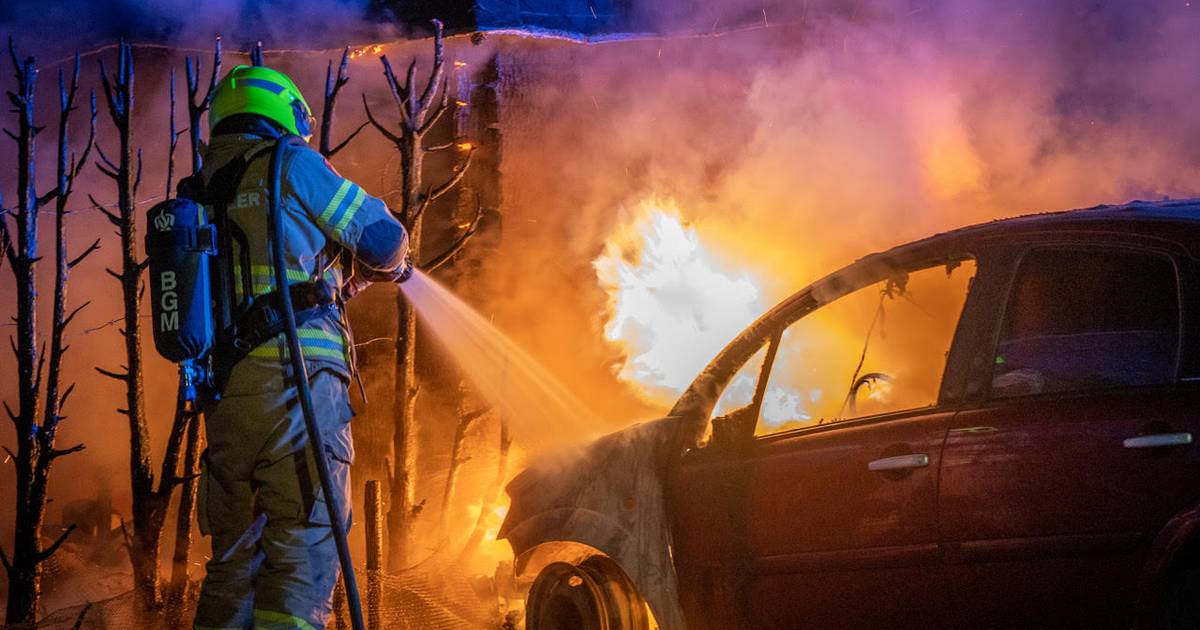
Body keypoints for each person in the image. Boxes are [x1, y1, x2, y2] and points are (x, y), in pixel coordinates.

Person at [191, 64, 409, 630]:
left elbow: (265, 282)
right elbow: (383, 240)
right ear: (282, 111)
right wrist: (394, 264)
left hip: (227, 398)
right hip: (297, 386)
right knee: (304, 551)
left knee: (232, 565)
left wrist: (336, 283)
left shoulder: (204, 186)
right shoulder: (291, 164)